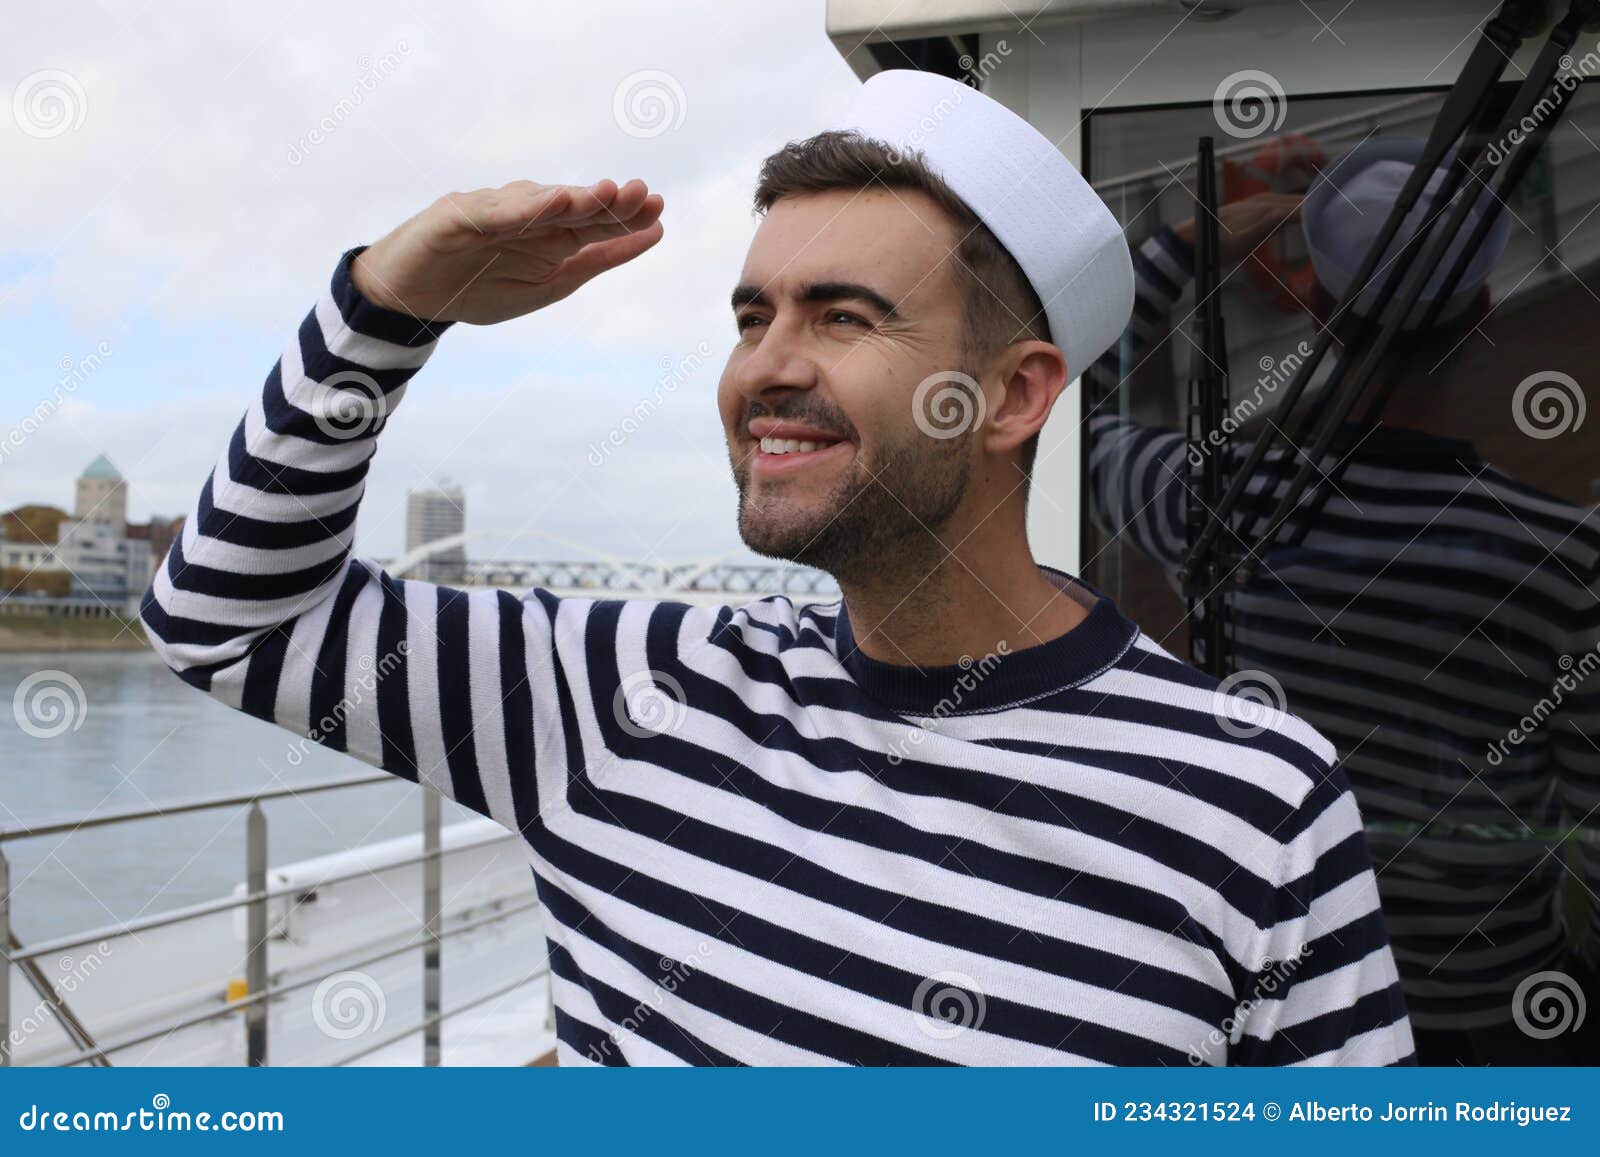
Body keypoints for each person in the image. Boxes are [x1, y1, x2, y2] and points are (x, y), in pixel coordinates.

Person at [140, 69, 1413, 1065]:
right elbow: (227, 621)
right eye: (754, 315)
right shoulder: (632, 691)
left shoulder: (1250, 796)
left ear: (1014, 397)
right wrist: (384, 305)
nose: (766, 367)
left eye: (843, 316)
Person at [1084, 135, 1600, 1064]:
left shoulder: (1213, 500)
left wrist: (1195, 242)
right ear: (1480, 311)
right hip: (1493, 1033)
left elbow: (1079, 407)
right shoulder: (1568, 560)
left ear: (1318, 308)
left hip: (1280, 1029)